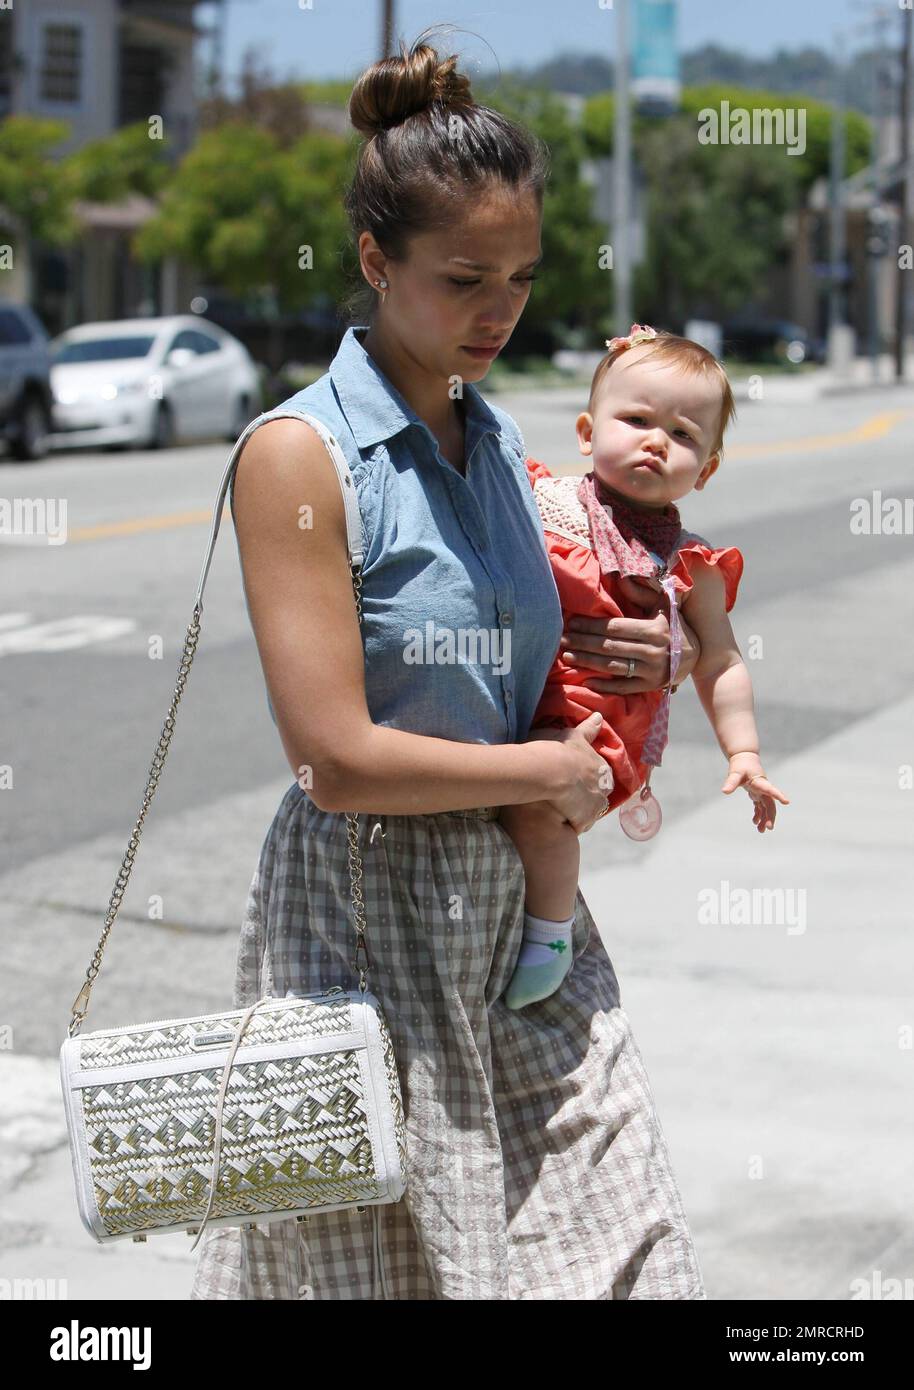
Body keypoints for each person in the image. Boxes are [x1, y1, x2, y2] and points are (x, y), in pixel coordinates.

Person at [190, 29, 708, 1301]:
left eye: (522, 279)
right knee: (374, 1278)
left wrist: (637, 654)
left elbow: (522, 653)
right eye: (464, 276)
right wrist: (542, 765)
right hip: (361, 923)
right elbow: (335, 758)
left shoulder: (500, 437)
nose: (499, 311)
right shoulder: (298, 458)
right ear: (373, 261)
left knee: (621, 1245)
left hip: (521, 924)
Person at [498, 324, 790, 1010]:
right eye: (634, 420)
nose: (656, 441)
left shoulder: (690, 563)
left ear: (708, 468)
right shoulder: (542, 506)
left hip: (601, 730)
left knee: (543, 805)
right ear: (586, 431)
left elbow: (719, 659)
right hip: (517, 702)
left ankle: (550, 932)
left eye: (684, 435)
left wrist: (742, 749)